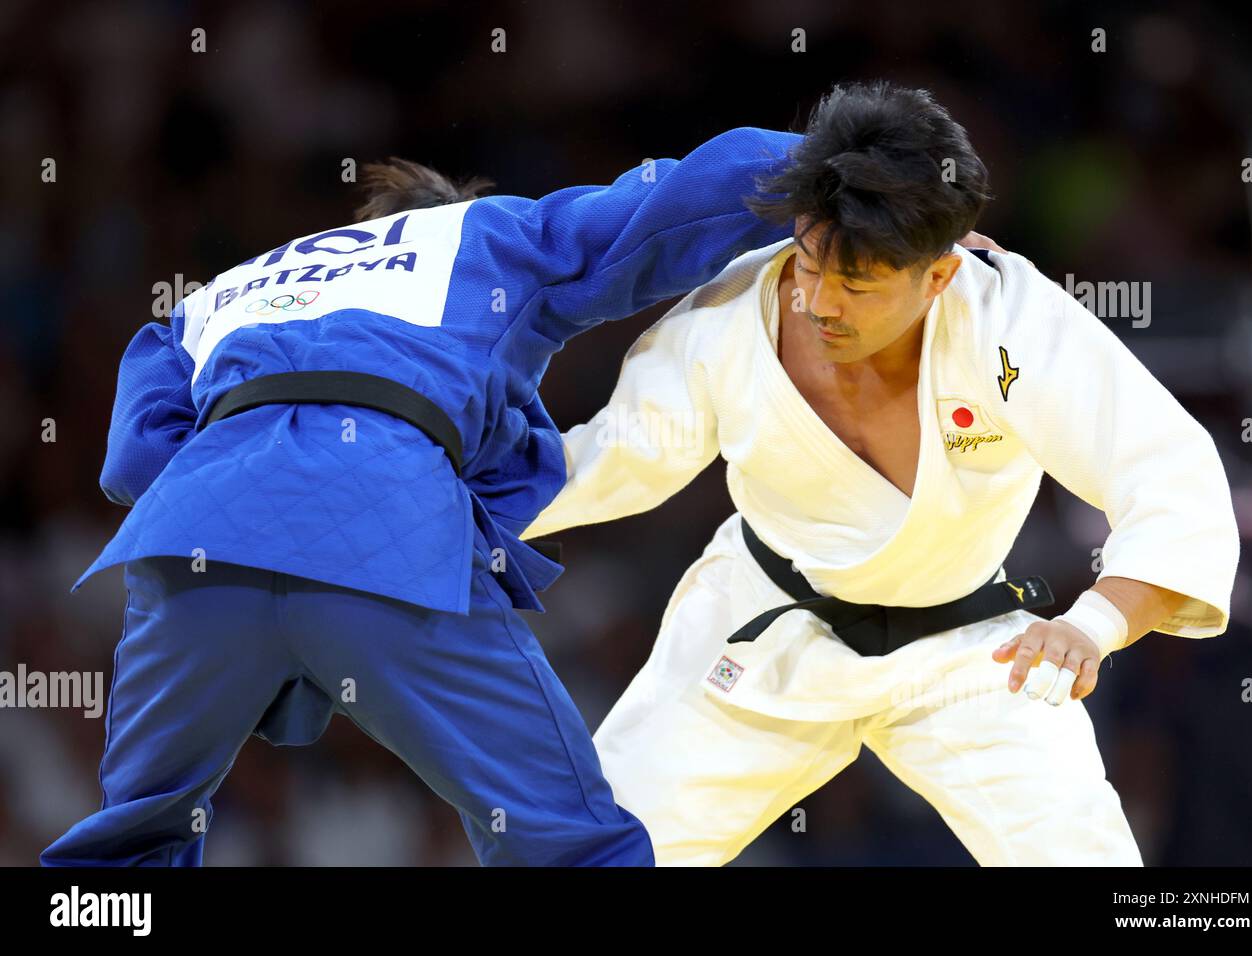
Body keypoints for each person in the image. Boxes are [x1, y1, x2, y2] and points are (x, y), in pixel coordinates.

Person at [522, 81, 1240, 865]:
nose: (820, 301)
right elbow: (601, 462)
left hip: (972, 651)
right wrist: (439, 510)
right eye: (807, 263)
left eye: (857, 285)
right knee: (601, 854)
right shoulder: (727, 322)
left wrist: (1090, 626)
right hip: (763, 620)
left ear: (939, 274)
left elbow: (1170, 477)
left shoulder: (1010, 326)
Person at [41, 126, 801, 866]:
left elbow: (134, 462)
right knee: (569, 841)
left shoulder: (217, 297)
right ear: (440, 213)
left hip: (191, 543)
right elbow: (668, 202)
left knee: (127, 848)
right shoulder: (480, 235)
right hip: (384, 521)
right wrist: (832, 161)